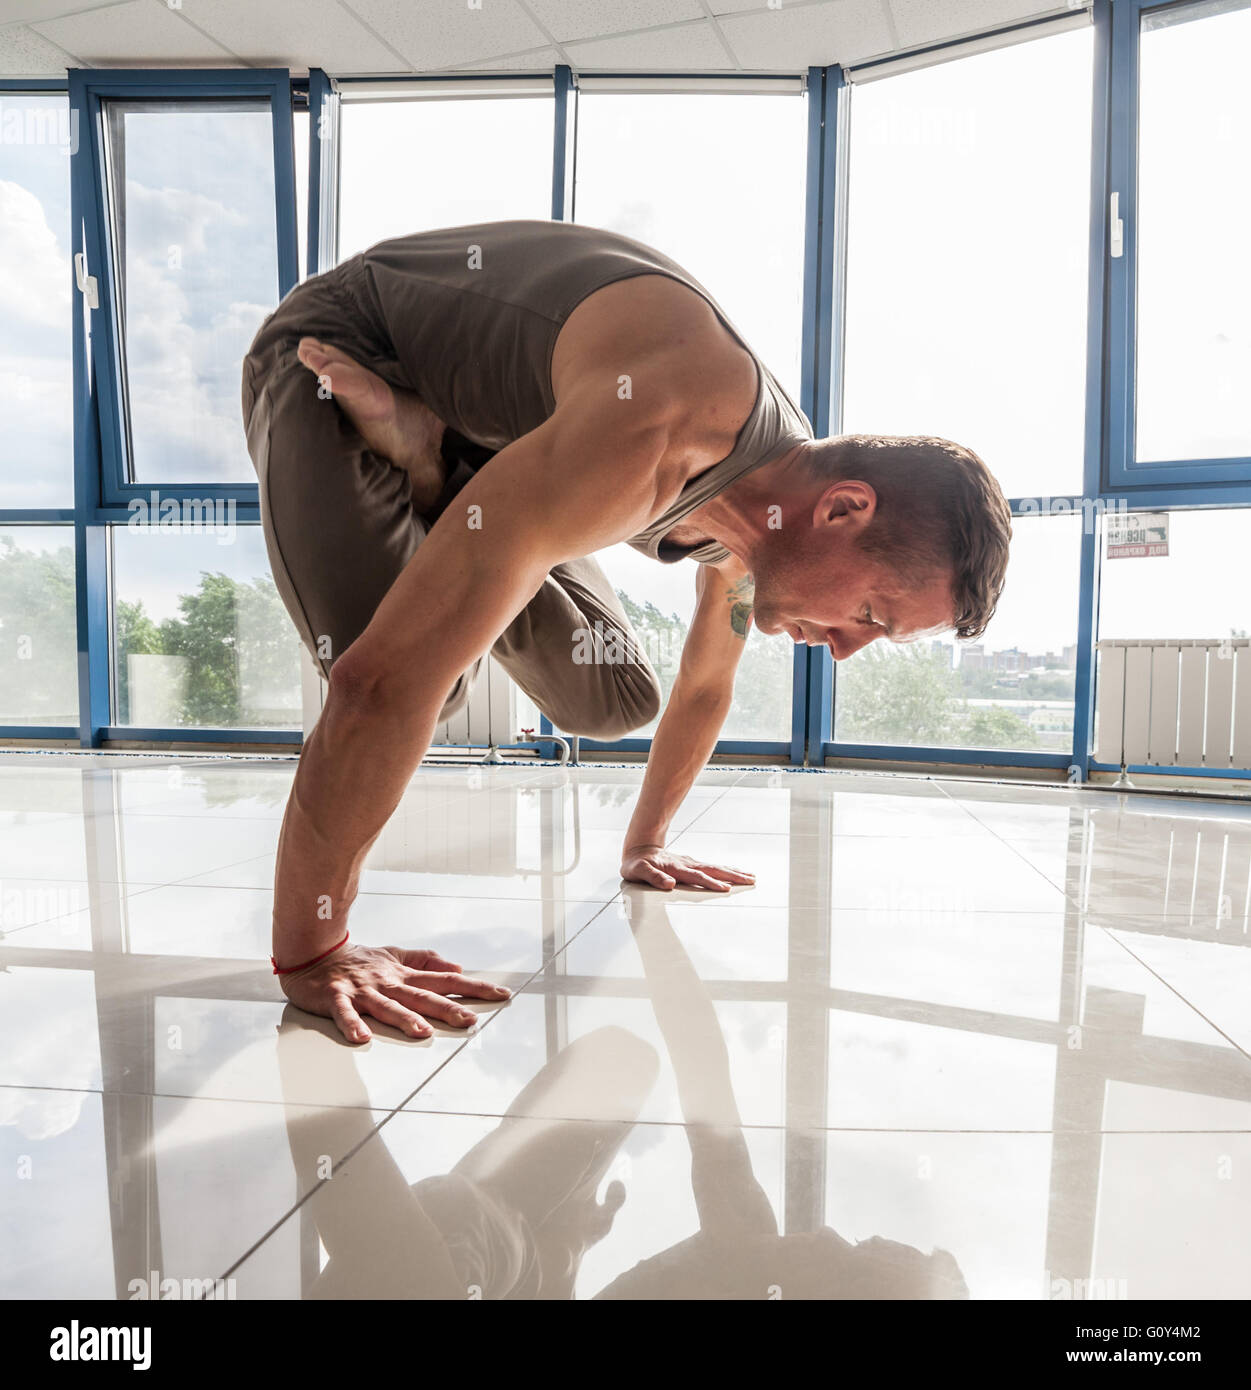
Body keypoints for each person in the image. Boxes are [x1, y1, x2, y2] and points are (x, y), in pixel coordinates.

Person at [240, 219, 1011, 1043]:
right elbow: (374, 688)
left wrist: (645, 843)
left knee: (612, 695)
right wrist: (313, 951)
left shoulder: (756, 527)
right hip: (344, 351)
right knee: (425, 677)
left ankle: (439, 471)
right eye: (868, 615)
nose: (849, 649)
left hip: (507, 445)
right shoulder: (663, 432)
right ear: (843, 508)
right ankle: (431, 461)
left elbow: (707, 684)